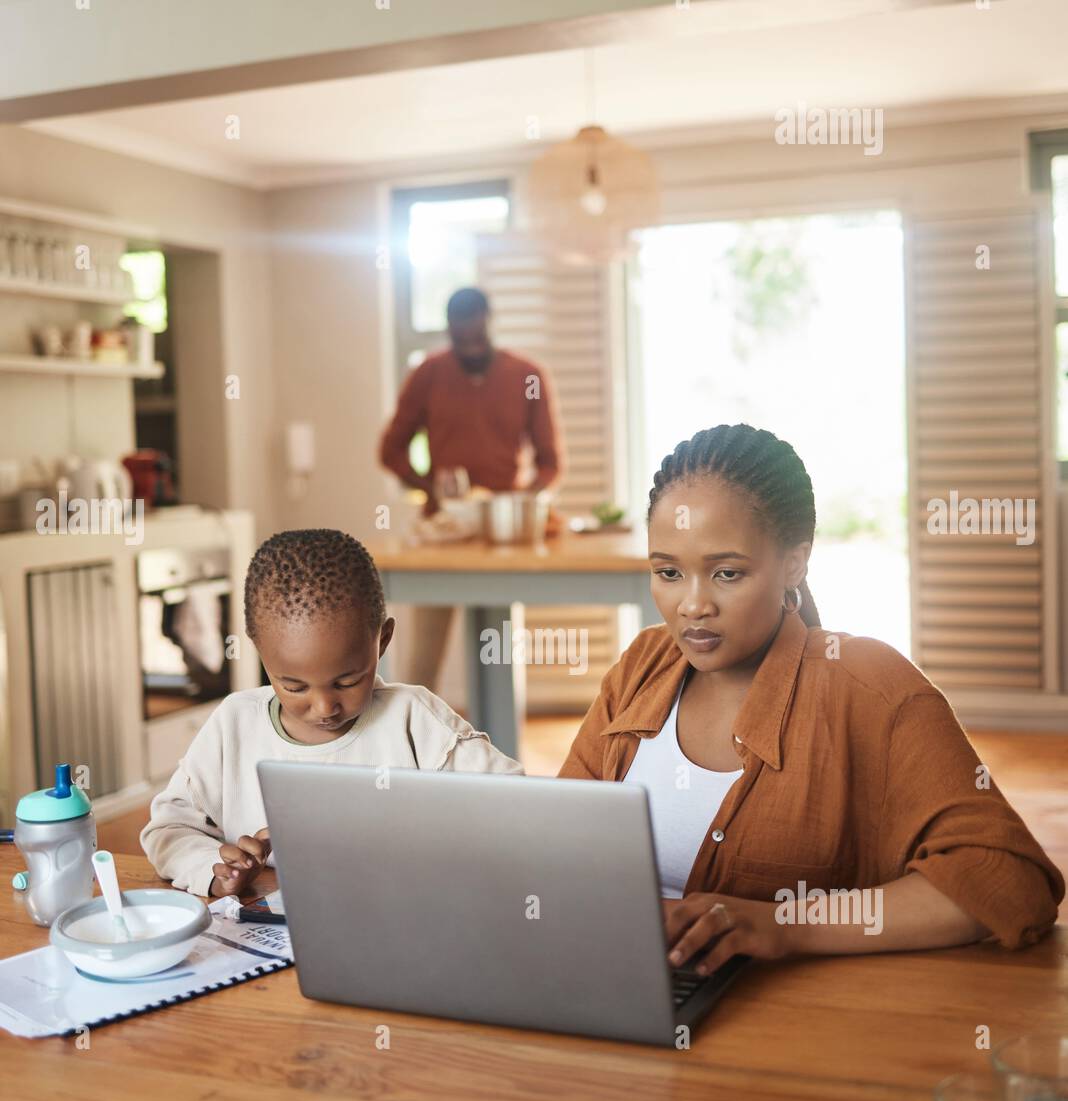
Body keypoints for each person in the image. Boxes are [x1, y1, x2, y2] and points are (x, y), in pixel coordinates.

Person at [558, 423, 1064, 970]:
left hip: (794, 1029)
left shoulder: (871, 687)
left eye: (727, 573)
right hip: (617, 992)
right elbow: (554, 840)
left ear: (795, 563)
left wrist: (781, 925)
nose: (692, 605)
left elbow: (1010, 881)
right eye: (669, 572)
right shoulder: (641, 666)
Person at [141, 529, 521, 898]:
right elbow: (168, 831)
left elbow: (518, 805)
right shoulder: (233, 726)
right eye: (294, 687)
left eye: (347, 681)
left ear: (382, 641)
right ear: (259, 650)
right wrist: (215, 870)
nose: (324, 708)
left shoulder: (415, 721)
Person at [378, 286, 563, 688]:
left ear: (489, 322)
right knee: (425, 654)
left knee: (497, 650)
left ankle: (495, 742)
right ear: (449, 331)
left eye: (477, 336)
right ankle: (410, 739)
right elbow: (390, 449)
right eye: (462, 339)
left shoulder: (526, 375)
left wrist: (525, 499)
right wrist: (427, 487)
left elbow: (550, 461)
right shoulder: (428, 374)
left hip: (501, 531)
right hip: (443, 528)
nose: (471, 346)